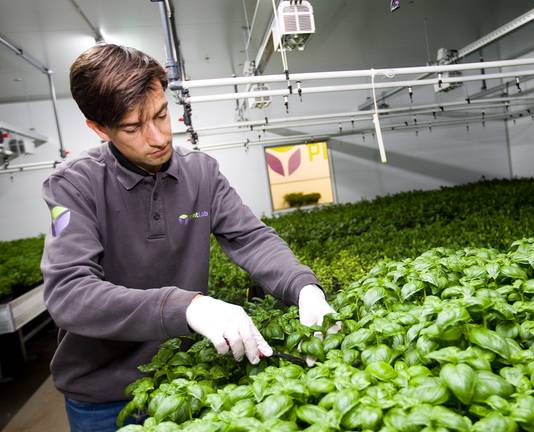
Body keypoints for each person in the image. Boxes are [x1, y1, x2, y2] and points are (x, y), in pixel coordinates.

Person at [40, 44, 336, 432]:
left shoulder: (201, 173)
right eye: (133, 127)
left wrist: (303, 287)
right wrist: (188, 307)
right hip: (105, 399)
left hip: (187, 382)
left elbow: (251, 238)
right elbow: (69, 294)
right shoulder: (74, 186)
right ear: (99, 128)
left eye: (162, 114)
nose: (159, 136)